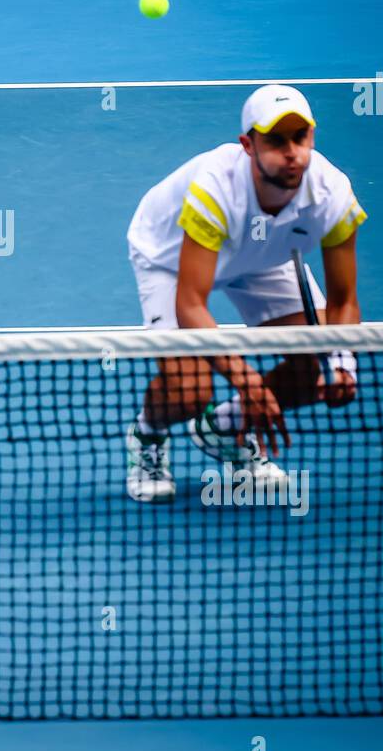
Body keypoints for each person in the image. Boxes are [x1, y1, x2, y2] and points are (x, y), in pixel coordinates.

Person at [124, 84, 365, 501]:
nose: (291, 151)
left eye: (300, 137)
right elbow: (191, 303)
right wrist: (249, 381)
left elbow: (344, 301)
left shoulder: (332, 193)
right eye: (275, 140)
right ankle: (147, 434)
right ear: (248, 145)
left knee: (317, 372)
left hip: (265, 260)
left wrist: (343, 363)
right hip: (170, 258)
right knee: (189, 390)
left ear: (312, 135)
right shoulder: (216, 189)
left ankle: (223, 427)